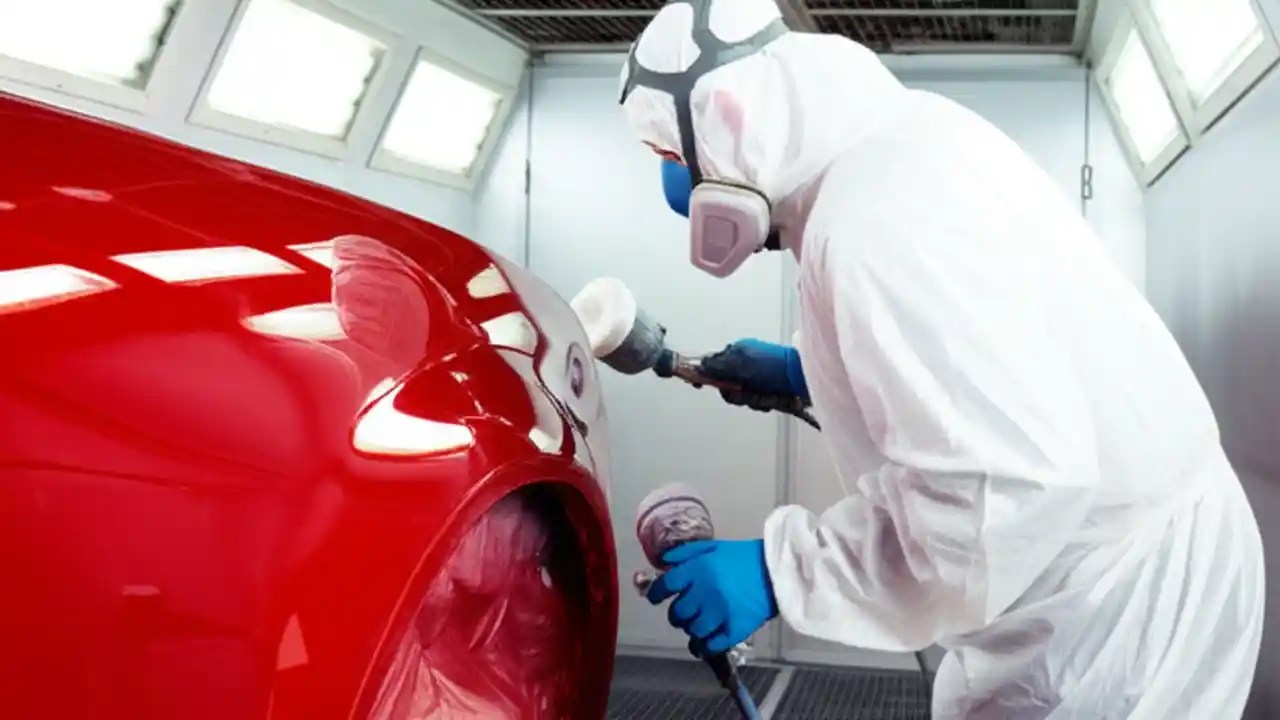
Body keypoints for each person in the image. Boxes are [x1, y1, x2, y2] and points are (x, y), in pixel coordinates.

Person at [620, 1, 1265, 718]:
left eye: (672, 156)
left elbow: (1004, 485)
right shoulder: (888, 146)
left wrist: (779, 572)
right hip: (1108, 568)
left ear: (730, 118)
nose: (674, 187)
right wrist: (815, 372)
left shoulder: (874, 218)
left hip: (1114, 616)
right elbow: (985, 346)